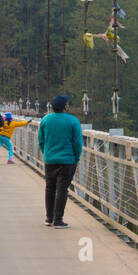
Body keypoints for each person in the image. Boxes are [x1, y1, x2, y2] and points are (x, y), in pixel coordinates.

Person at [37, 94, 82, 226]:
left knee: (50, 187)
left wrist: (46, 153)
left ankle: (49, 218)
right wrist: (76, 157)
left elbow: (41, 140)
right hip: (68, 160)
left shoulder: (45, 120)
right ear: (65, 106)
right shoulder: (73, 121)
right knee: (62, 189)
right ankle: (58, 219)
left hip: (50, 159)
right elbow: (77, 143)